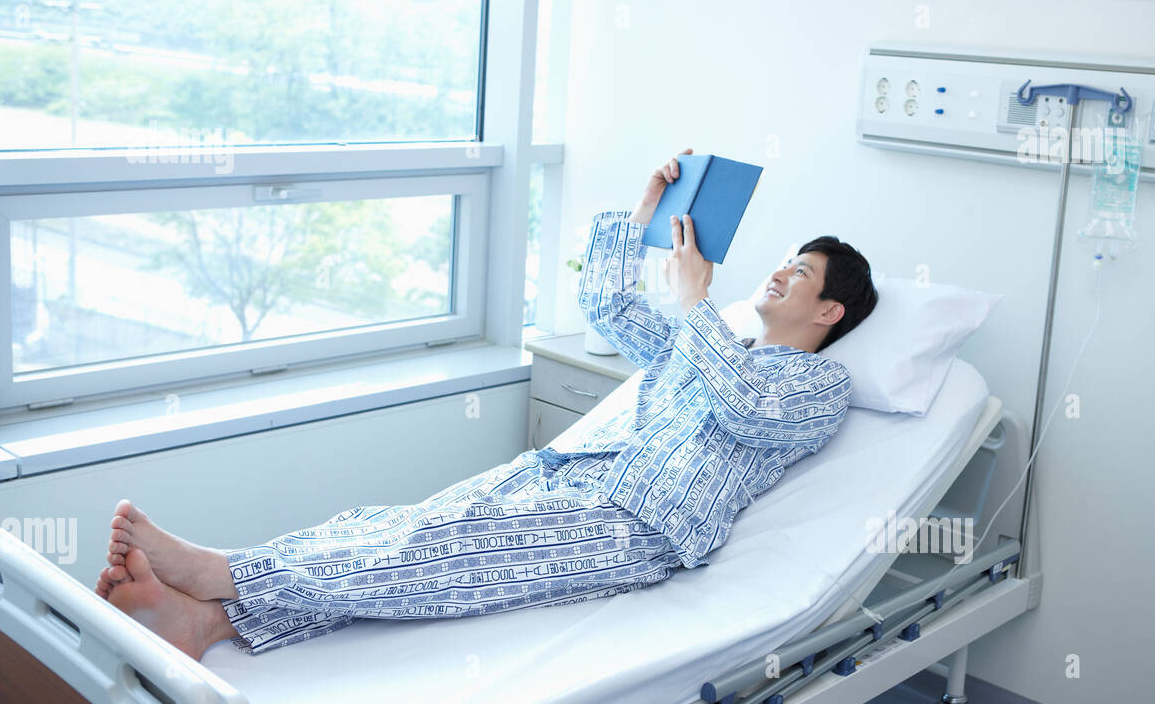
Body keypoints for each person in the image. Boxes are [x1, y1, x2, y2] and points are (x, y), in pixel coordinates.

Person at [95, 149, 878, 661]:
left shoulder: (818, 388)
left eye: (798, 272)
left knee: (437, 552)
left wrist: (701, 301)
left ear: (829, 312)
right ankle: (211, 623)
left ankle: (222, 571)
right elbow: (612, 314)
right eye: (780, 263)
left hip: (636, 526)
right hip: (568, 477)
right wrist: (642, 212)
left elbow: (744, 408)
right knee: (390, 531)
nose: (778, 274)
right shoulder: (709, 346)